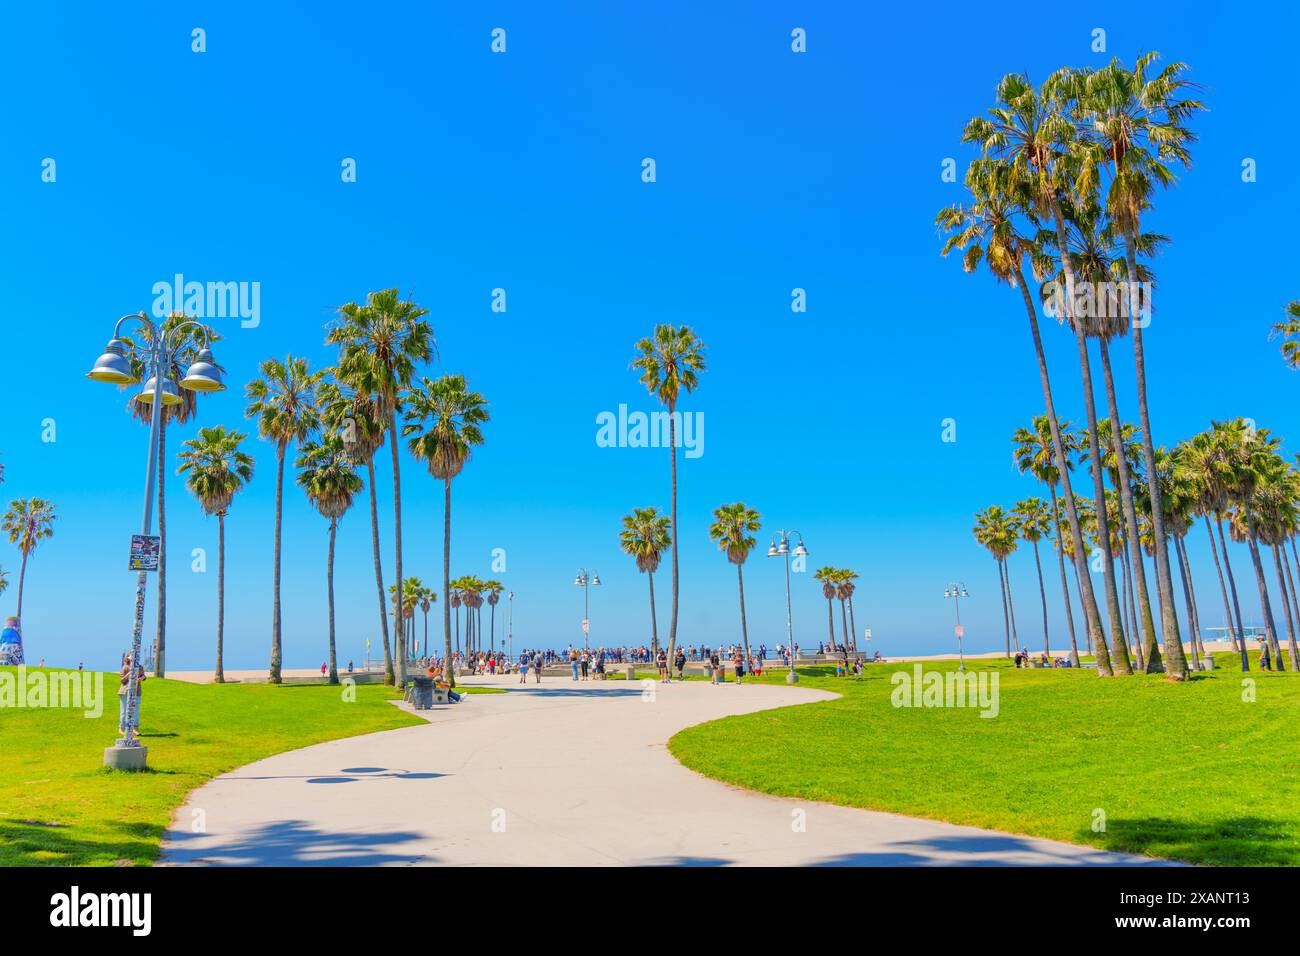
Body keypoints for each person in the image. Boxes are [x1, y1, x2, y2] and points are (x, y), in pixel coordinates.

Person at [117, 652, 146, 736]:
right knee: (124, 711)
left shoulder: (139, 667)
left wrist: (141, 678)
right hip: (125, 691)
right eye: (131, 658)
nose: (133, 660)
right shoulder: (125, 667)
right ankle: (121, 728)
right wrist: (129, 673)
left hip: (137, 692)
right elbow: (122, 680)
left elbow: (144, 676)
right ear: (128, 658)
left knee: (136, 711)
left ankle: (135, 728)